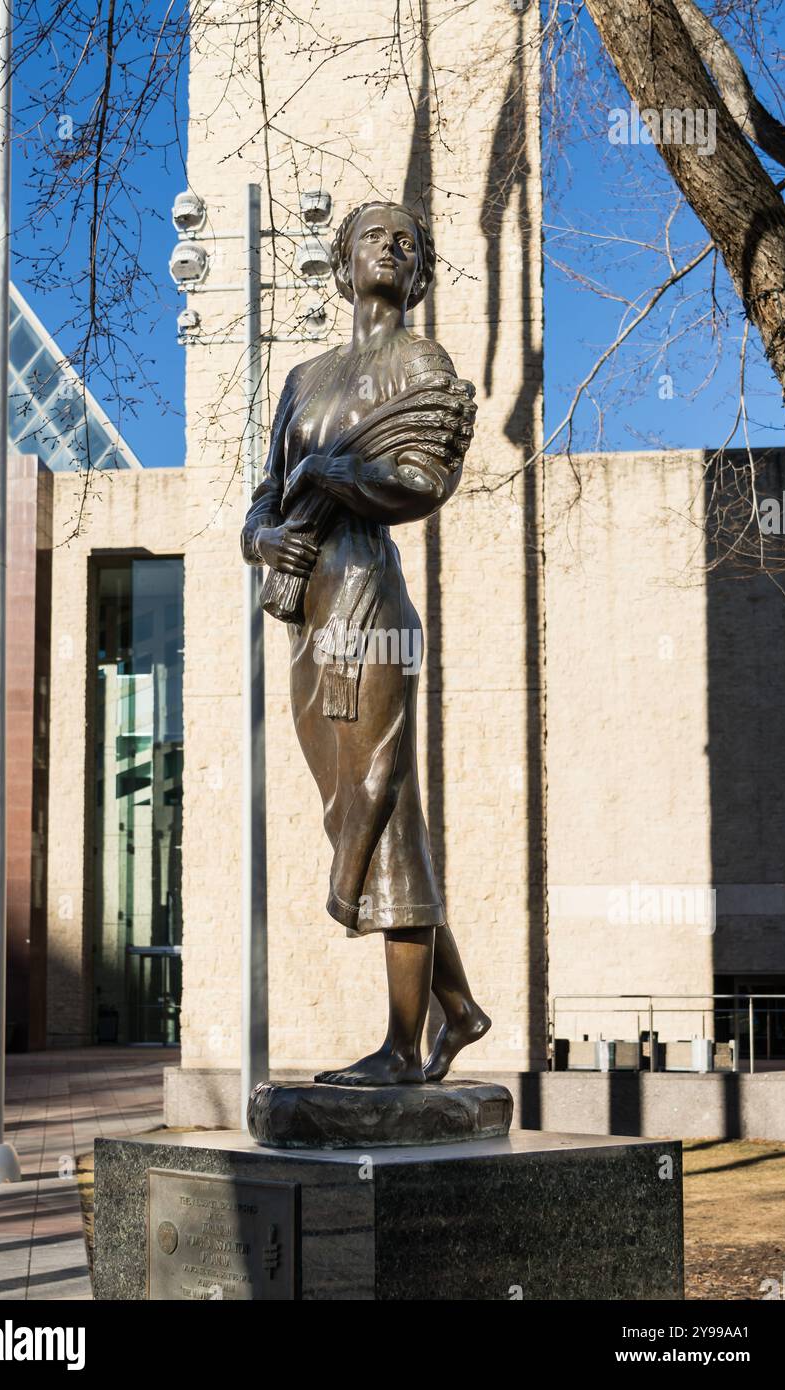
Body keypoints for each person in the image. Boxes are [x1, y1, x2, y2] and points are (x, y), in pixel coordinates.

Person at [241, 199, 490, 1085]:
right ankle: (457, 1007)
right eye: (374, 236)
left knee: (379, 798)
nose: (391, 246)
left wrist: (331, 472)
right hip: (310, 615)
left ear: (417, 272)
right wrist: (265, 538)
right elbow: (262, 504)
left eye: (408, 241)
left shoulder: (421, 363)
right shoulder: (305, 380)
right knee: (361, 808)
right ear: (343, 262)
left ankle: (400, 1044)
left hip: (370, 606)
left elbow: (423, 477)